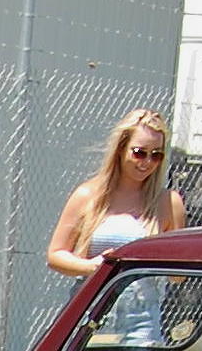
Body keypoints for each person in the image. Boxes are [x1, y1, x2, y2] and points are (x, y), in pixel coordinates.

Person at [46, 108, 185, 280]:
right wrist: (92, 267)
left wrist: (162, 260)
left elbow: (178, 277)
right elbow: (55, 255)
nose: (147, 162)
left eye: (156, 155)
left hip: (145, 298)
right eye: (139, 153)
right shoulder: (88, 195)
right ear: (121, 149)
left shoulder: (169, 202)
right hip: (96, 297)